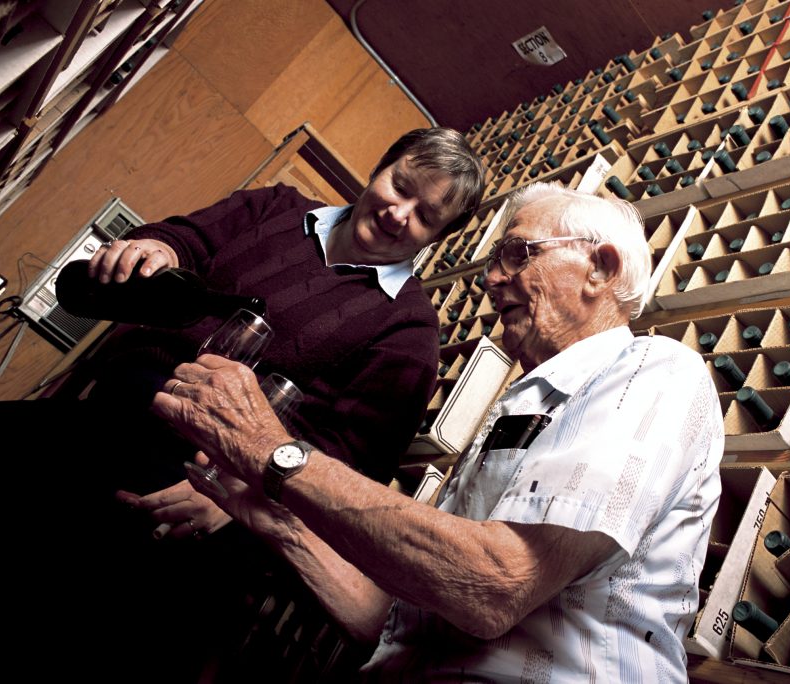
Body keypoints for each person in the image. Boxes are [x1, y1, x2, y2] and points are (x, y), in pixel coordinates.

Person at [0, 127, 484, 681]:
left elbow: (351, 458)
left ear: (439, 236)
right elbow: (188, 239)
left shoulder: (409, 329)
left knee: (53, 622)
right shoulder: (278, 206)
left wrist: (236, 497)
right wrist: (156, 248)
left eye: (425, 215)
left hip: (191, 487)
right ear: (381, 168)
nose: (400, 213)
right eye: (400, 186)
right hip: (97, 422)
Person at [156, 182, 726, 682]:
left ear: (599, 268)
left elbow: (496, 586)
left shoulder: (651, 371)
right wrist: (276, 516)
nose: (492, 279)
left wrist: (270, 450)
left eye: (515, 254)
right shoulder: (520, 409)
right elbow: (399, 625)